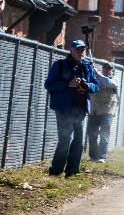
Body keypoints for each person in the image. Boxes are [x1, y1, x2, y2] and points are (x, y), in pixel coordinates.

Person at [43, 40, 98, 177]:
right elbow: (49, 84)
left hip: (81, 108)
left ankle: (72, 171)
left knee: (78, 140)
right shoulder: (60, 64)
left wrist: (88, 86)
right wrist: (69, 84)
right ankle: (56, 169)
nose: (81, 52)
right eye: (78, 50)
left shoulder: (88, 66)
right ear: (71, 51)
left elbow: (96, 86)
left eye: (83, 50)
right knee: (66, 138)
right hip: (64, 107)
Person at [87, 71, 119, 161]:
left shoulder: (114, 79)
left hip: (107, 111)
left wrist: (99, 75)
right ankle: (93, 156)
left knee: (104, 135)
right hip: (93, 111)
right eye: (105, 67)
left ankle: (102, 157)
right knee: (92, 135)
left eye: (109, 67)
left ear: (112, 70)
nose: (106, 69)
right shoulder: (94, 79)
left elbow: (109, 83)